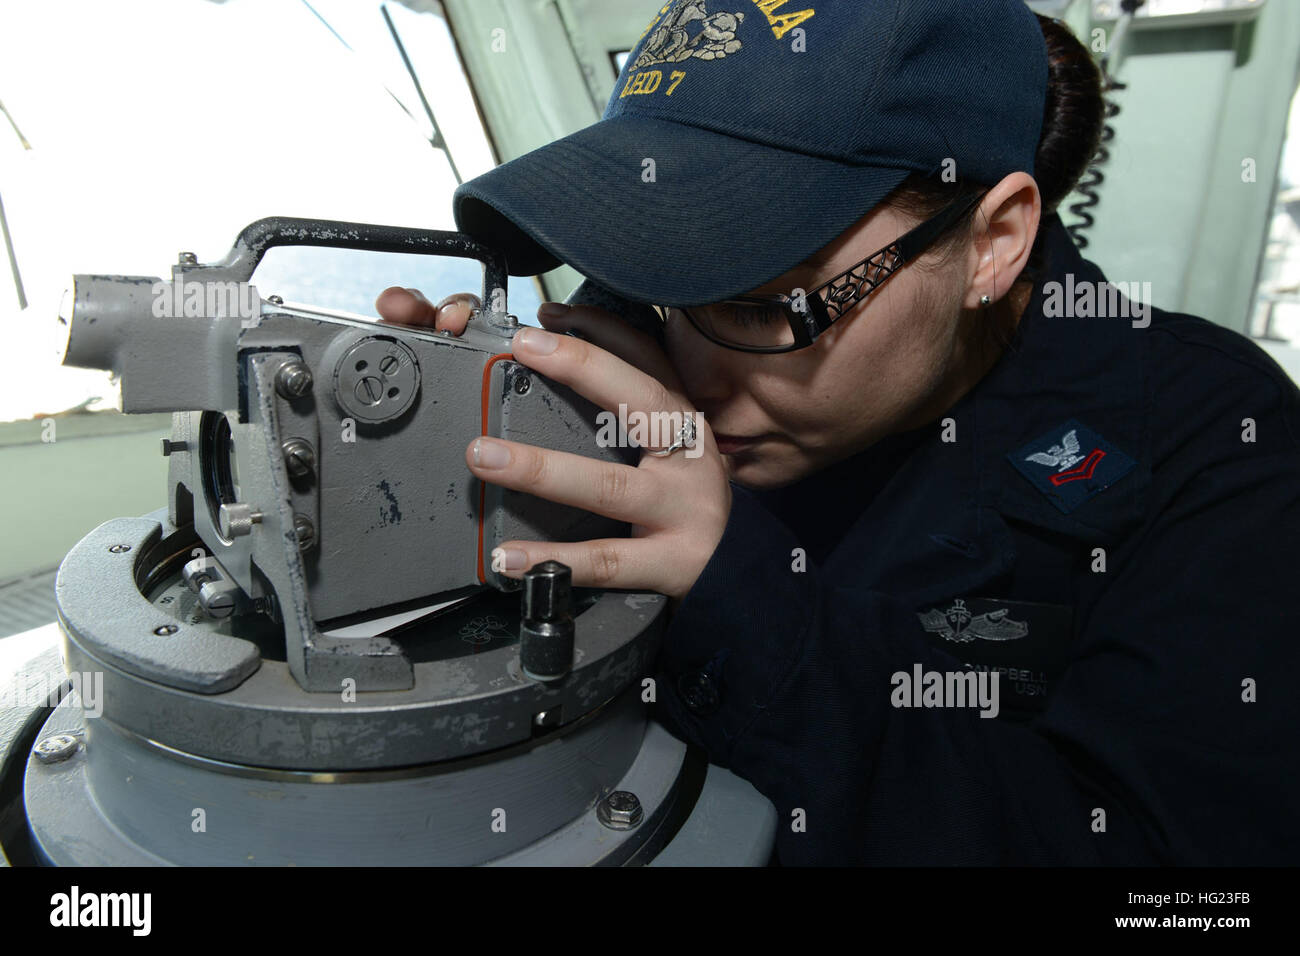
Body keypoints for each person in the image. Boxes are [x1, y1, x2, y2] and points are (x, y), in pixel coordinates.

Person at [376, 0, 1300, 865]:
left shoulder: (1218, 444)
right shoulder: (648, 336)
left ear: (994, 240)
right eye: (655, 278)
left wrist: (742, 595)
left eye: (764, 304)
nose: (693, 378)